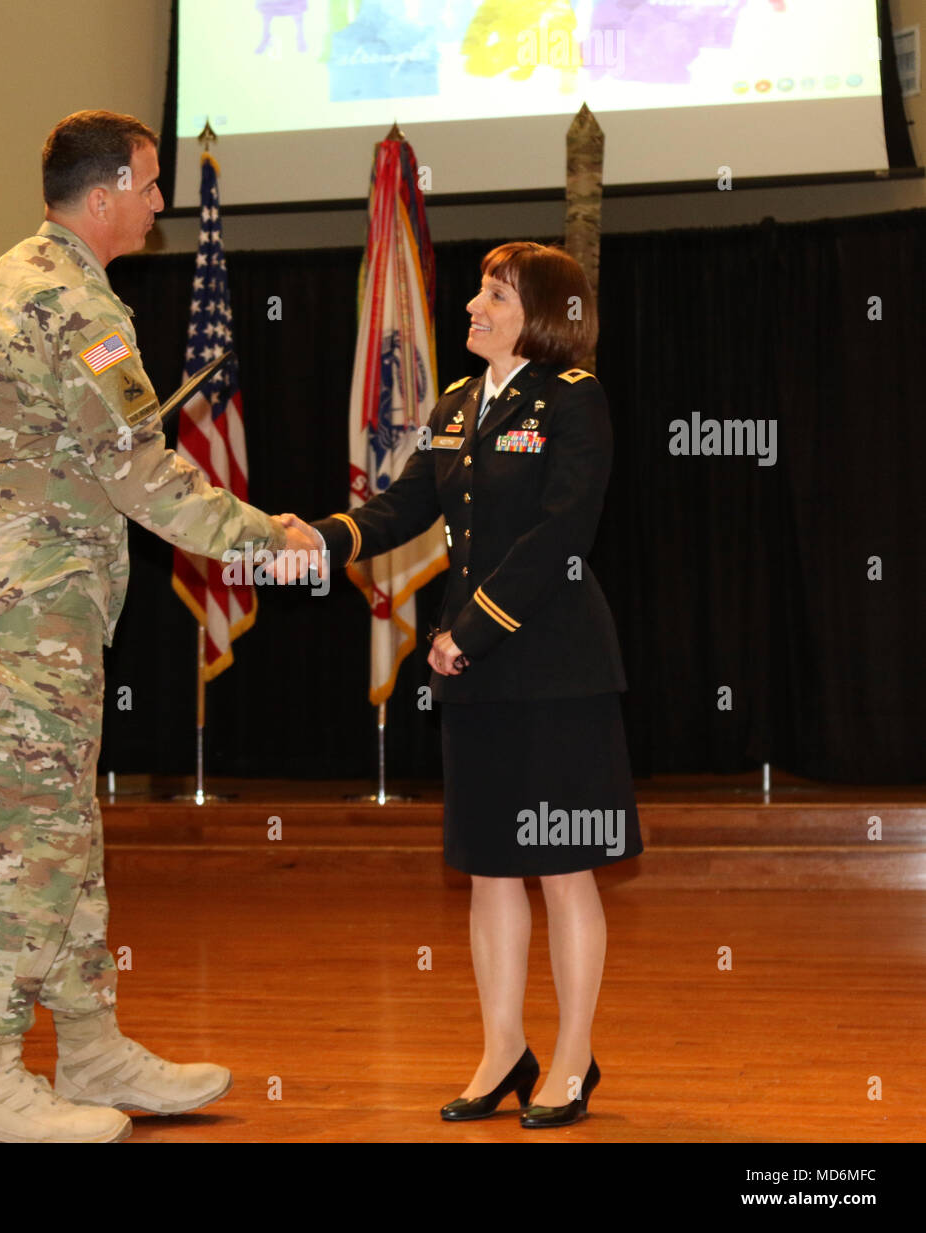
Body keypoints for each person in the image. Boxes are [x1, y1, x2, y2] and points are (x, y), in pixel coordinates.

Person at [0, 109, 318, 1144]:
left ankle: (88, 1045)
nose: (156, 203)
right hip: (26, 606)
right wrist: (258, 537)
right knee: (27, 842)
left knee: (59, 829)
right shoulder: (73, 302)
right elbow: (135, 467)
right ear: (102, 196)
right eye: (147, 185)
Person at [288, 241, 643, 1128]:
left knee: (563, 868)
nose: (473, 307)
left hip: (556, 668)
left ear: (545, 313)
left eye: (495, 294)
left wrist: (466, 633)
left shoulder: (575, 399)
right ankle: (501, 1049)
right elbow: (403, 508)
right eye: (479, 291)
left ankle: (572, 1059)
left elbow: (562, 533)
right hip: (474, 670)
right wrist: (323, 537)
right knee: (489, 867)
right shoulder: (454, 405)